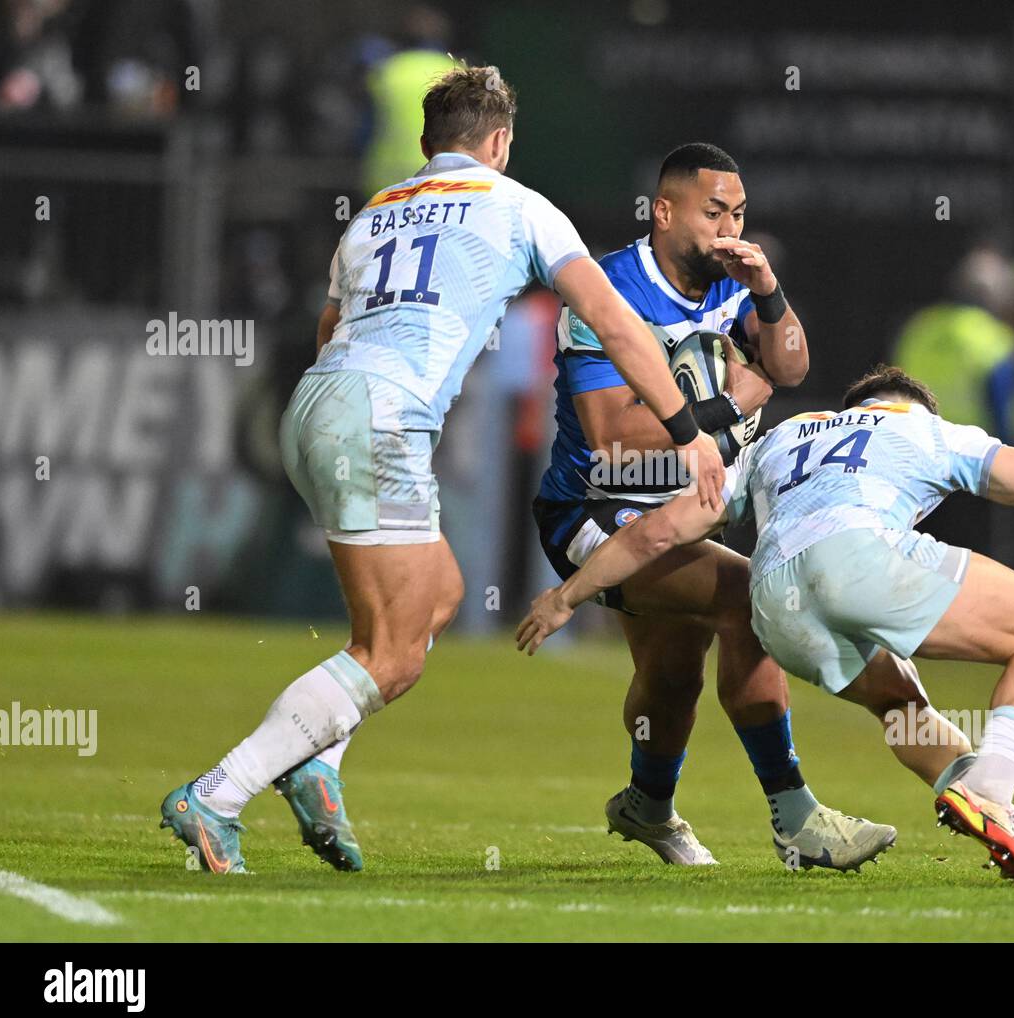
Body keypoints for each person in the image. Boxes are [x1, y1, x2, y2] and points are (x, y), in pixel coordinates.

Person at [159, 65, 726, 874]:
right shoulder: (519, 204)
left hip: (320, 405)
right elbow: (615, 324)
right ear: (499, 143)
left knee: (440, 594)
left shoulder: (374, 212)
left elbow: (329, 329)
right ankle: (218, 793)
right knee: (393, 655)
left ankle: (318, 760)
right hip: (381, 421)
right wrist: (689, 430)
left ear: (426, 146)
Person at [519, 365, 1014, 885]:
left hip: (774, 602)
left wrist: (566, 596)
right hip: (857, 557)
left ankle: (1001, 817)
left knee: (901, 706)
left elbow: (659, 530)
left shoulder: (777, 440)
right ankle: (992, 789)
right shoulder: (921, 428)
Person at [530, 143, 896, 870]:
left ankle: (647, 805)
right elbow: (613, 440)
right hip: (597, 509)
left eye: (739, 213)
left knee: (673, 669)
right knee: (745, 597)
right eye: (713, 212)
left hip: (685, 508)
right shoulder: (608, 290)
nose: (730, 228)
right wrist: (728, 407)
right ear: (664, 212)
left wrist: (768, 290)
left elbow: (790, 367)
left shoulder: (733, 282)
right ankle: (797, 819)